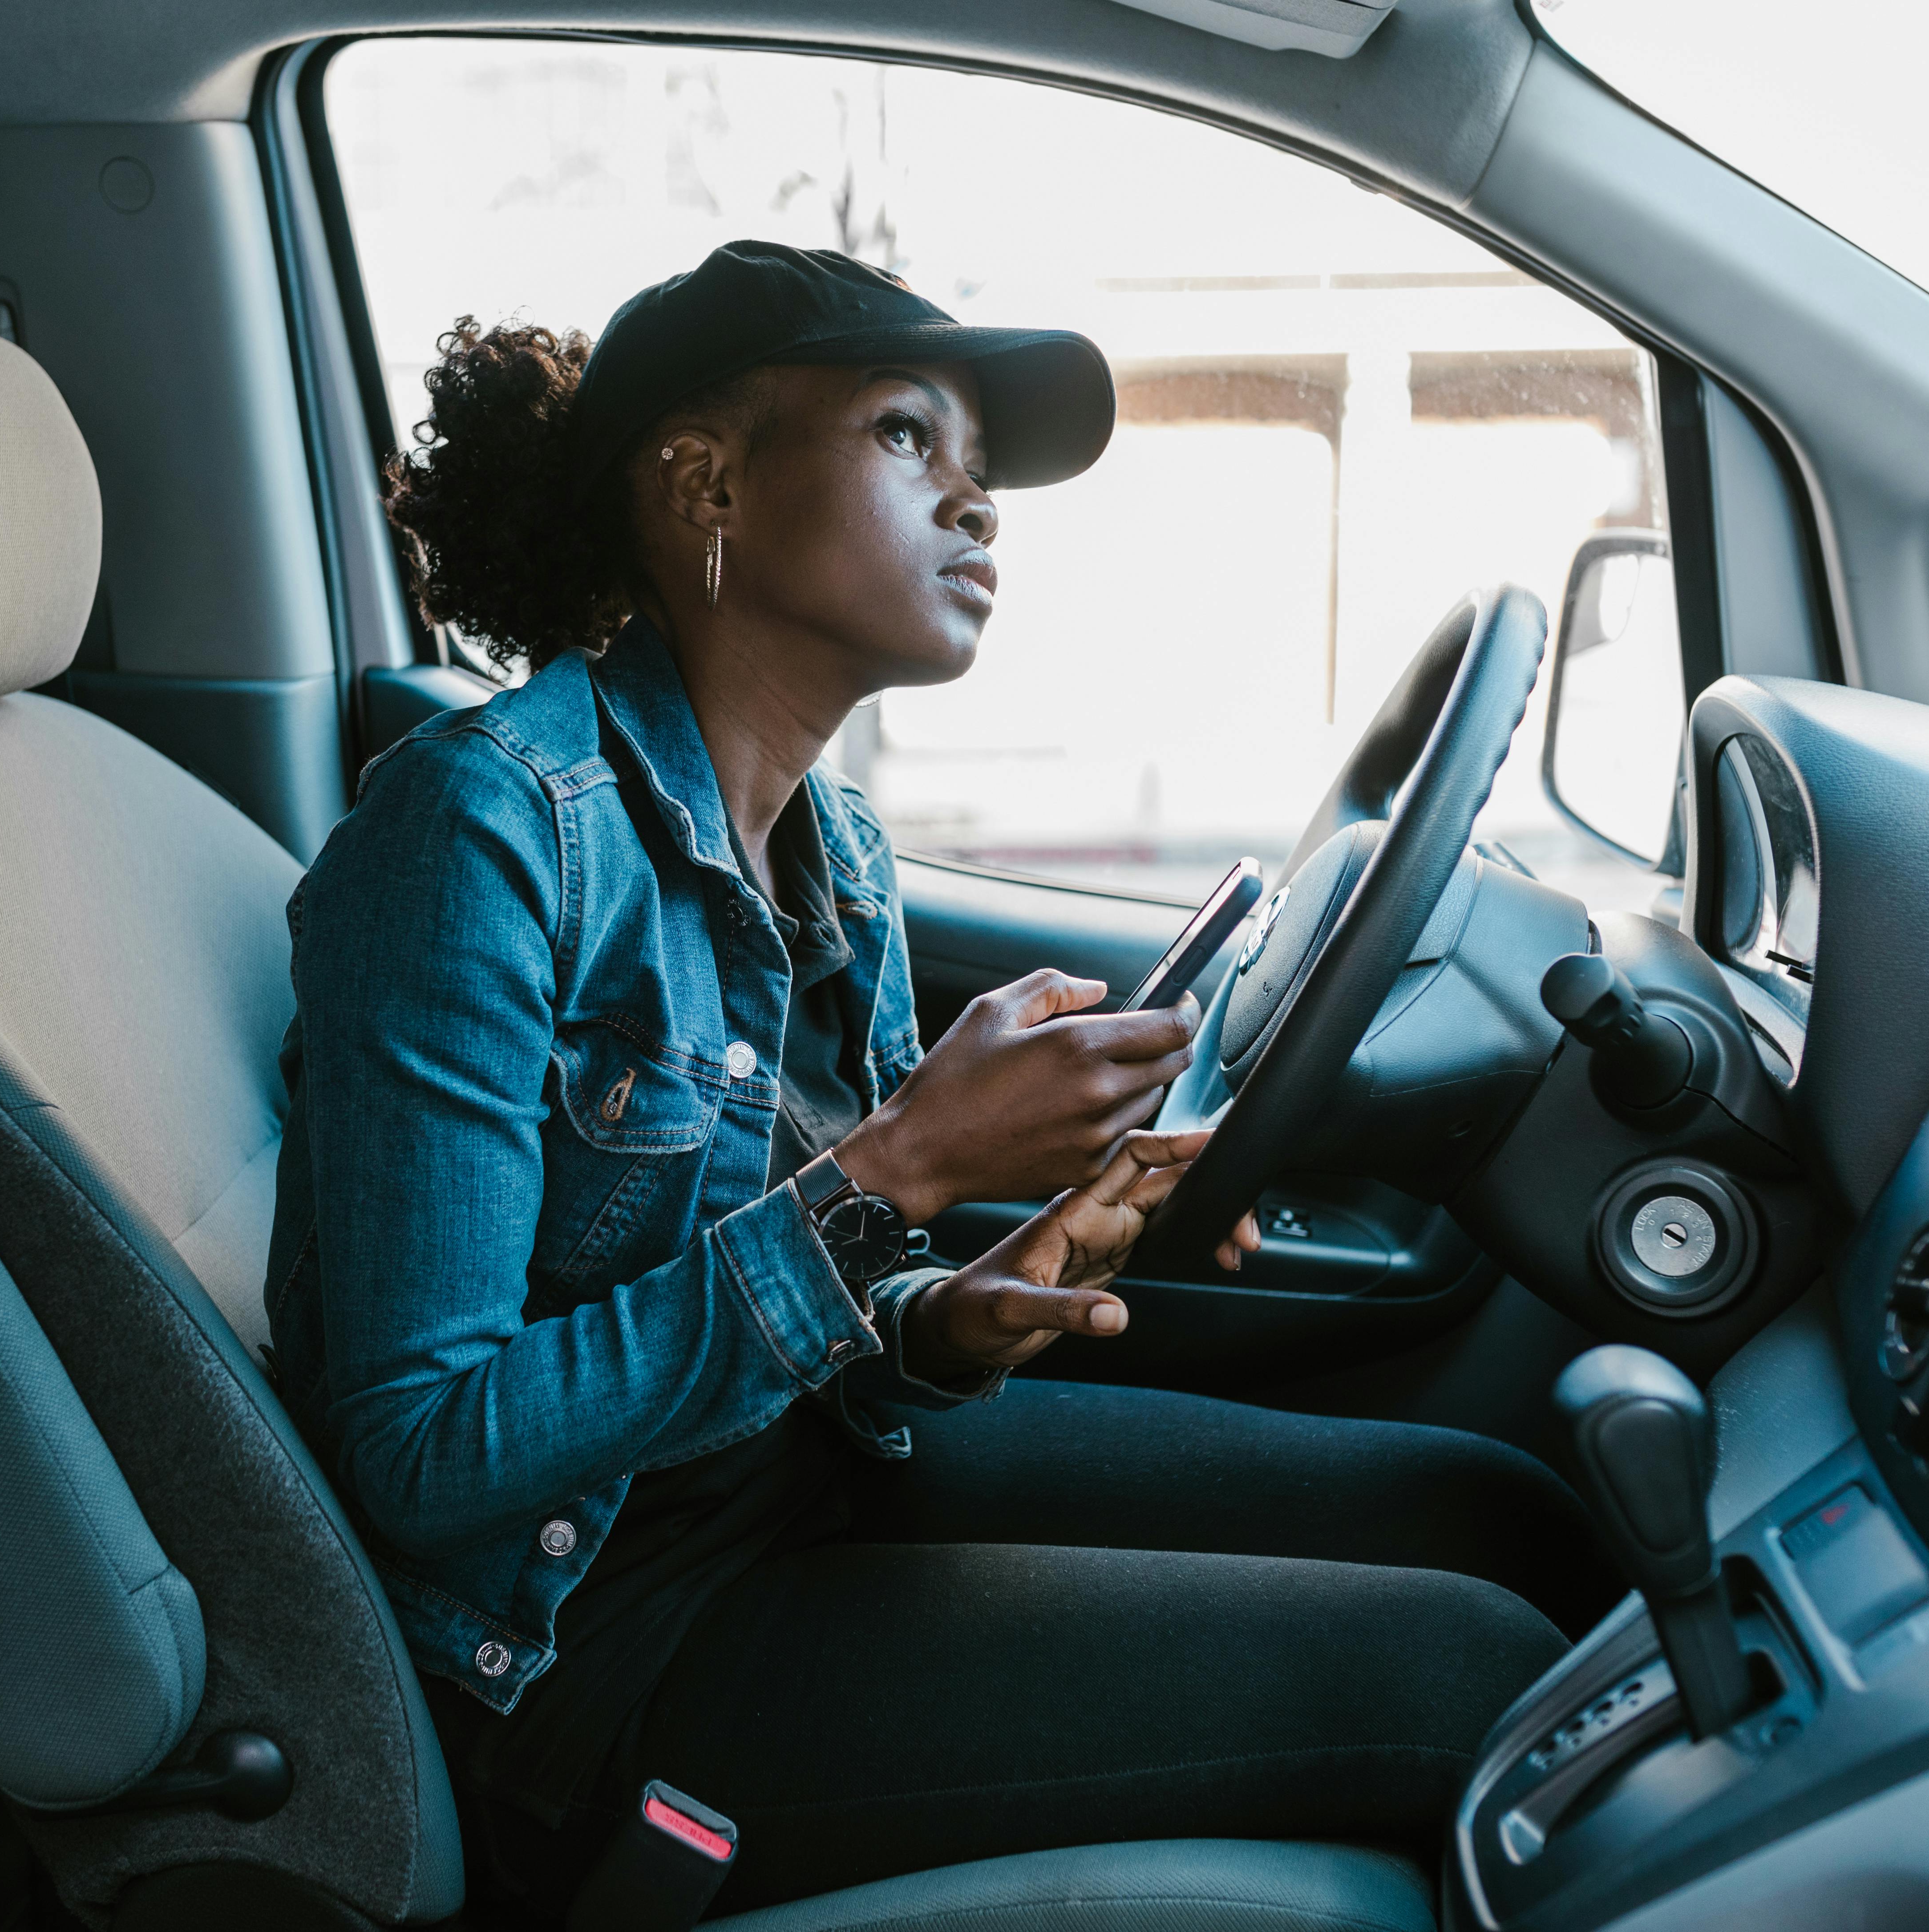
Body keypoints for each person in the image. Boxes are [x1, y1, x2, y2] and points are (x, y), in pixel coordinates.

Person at [266, 241, 1609, 1920]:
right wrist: (900, 1166)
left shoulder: (839, 855)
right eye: (911, 438)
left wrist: (956, 1312)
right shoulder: (483, 832)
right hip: (586, 1640)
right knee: (1460, 1670)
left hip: (805, 1479)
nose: (980, 508)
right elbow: (423, 1446)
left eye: (985, 475)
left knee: (1498, 1517)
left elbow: (824, 1307)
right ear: (708, 482)